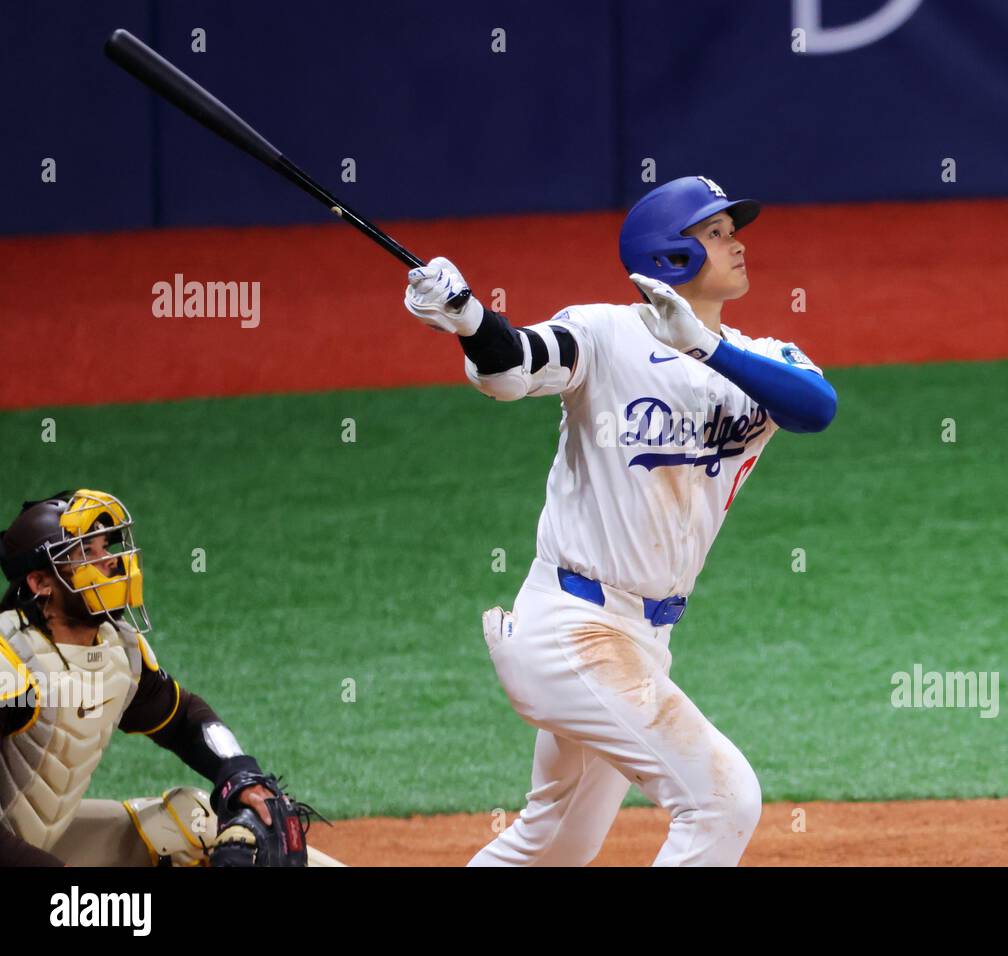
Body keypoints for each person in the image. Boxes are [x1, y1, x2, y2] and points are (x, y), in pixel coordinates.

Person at [404, 175, 837, 866]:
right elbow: (513, 363)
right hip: (572, 631)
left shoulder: (760, 358)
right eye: (716, 232)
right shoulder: (602, 333)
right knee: (723, 801)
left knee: (552, 847)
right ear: (671, 256)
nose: (737, 243)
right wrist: (465, 318)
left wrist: (705, 346)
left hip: (642, 641)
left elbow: (816, 408)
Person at [0, 488, 338, 866]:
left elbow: (182, 720)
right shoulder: (11, 663)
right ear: (40, 583)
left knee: (191, 825)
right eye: (86, 553)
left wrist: (240, 775)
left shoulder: (117, 652)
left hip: (40, 846)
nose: (110, 561)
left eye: (105, 548)